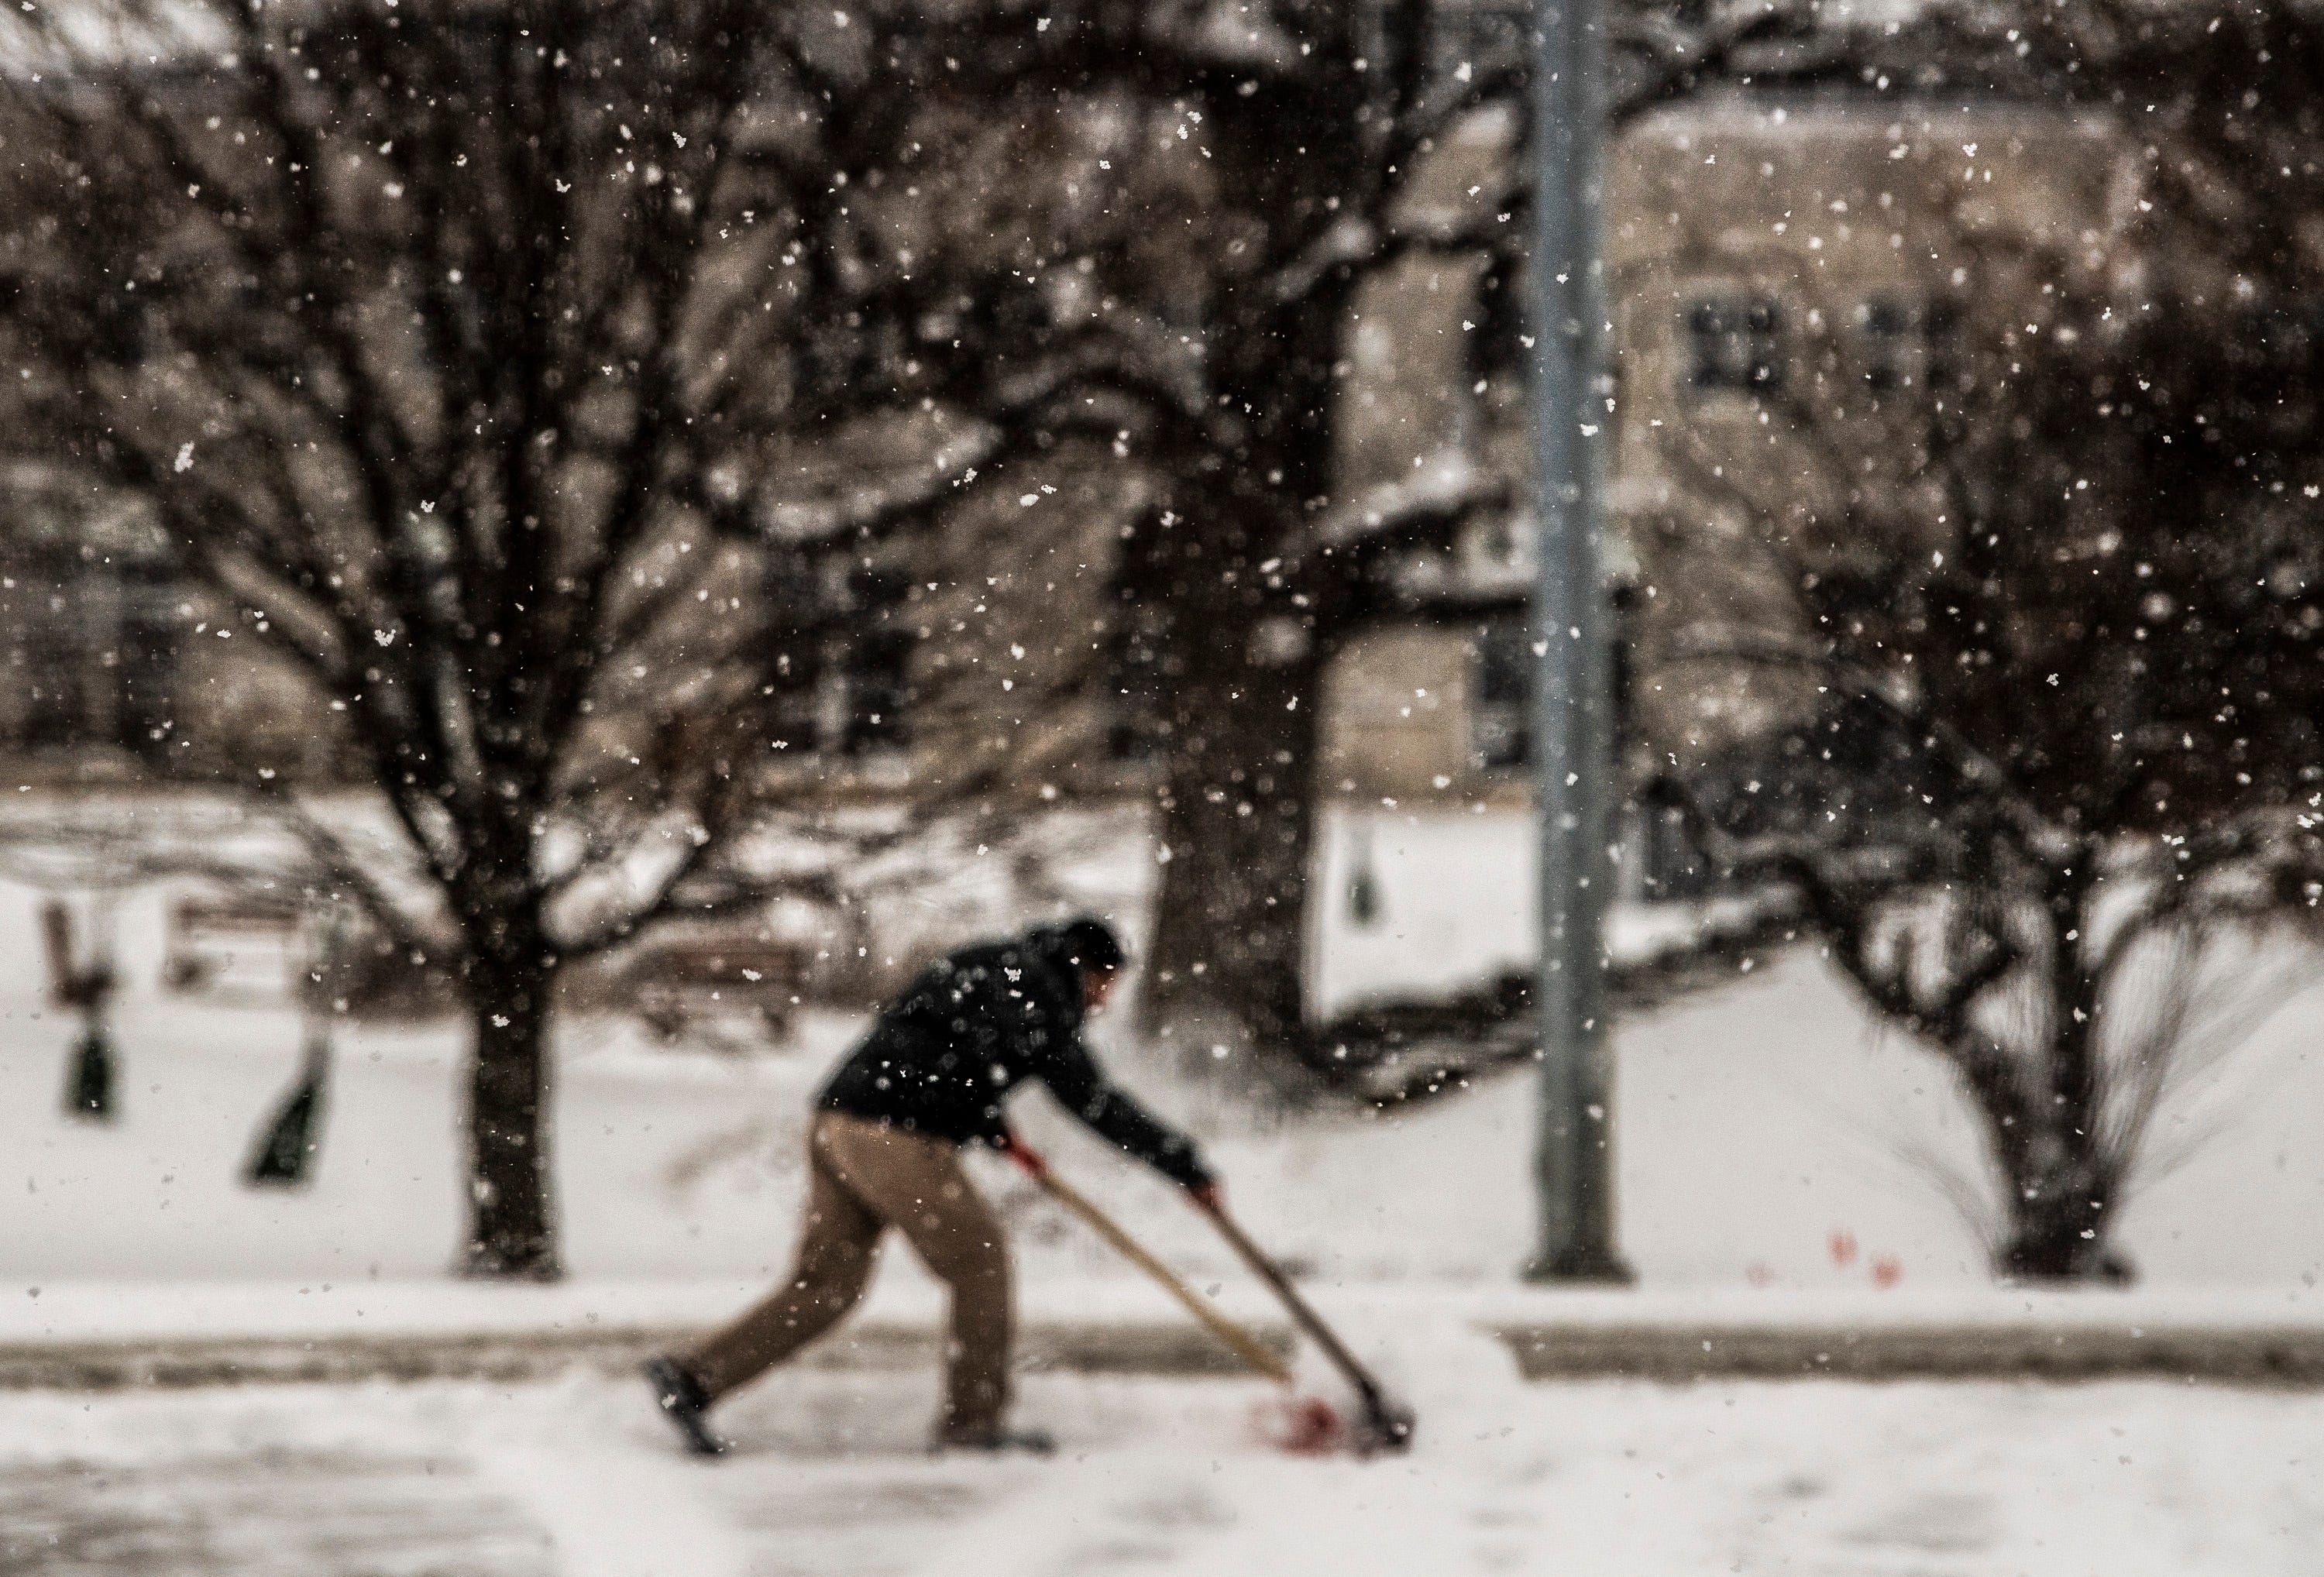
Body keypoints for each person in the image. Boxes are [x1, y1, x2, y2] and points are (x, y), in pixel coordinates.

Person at [644, 917, 1216, 1455]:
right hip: (895, 1134)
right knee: (981, 1264)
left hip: (838, 1121)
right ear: (1086, 966)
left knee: (828, 1286)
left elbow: (943, 1046)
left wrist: (991, 1128)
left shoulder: (996, 964)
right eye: (1105, 985)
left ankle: (694, 1378)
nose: (1103, 1000)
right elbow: (1091, 1100)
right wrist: (1184, 1166)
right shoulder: (1040, 994)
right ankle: (972, 1425)